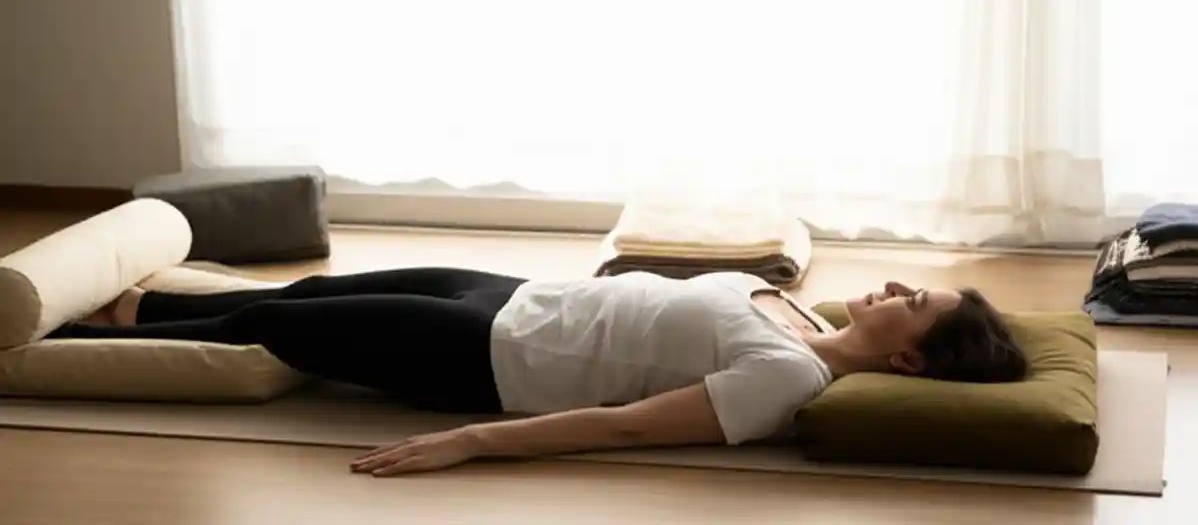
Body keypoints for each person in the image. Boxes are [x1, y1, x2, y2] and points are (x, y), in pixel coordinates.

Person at [51, 268, 1027, 476]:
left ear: (906, 356)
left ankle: (58, 346)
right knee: (308, 288)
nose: (894, 286)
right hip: (512, 293)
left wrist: (471, 442)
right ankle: (134, 307)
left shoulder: (786, 379)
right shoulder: (798, 313)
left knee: (276, 325)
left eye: (912, 299)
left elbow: (629, 426)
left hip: (487, 357)